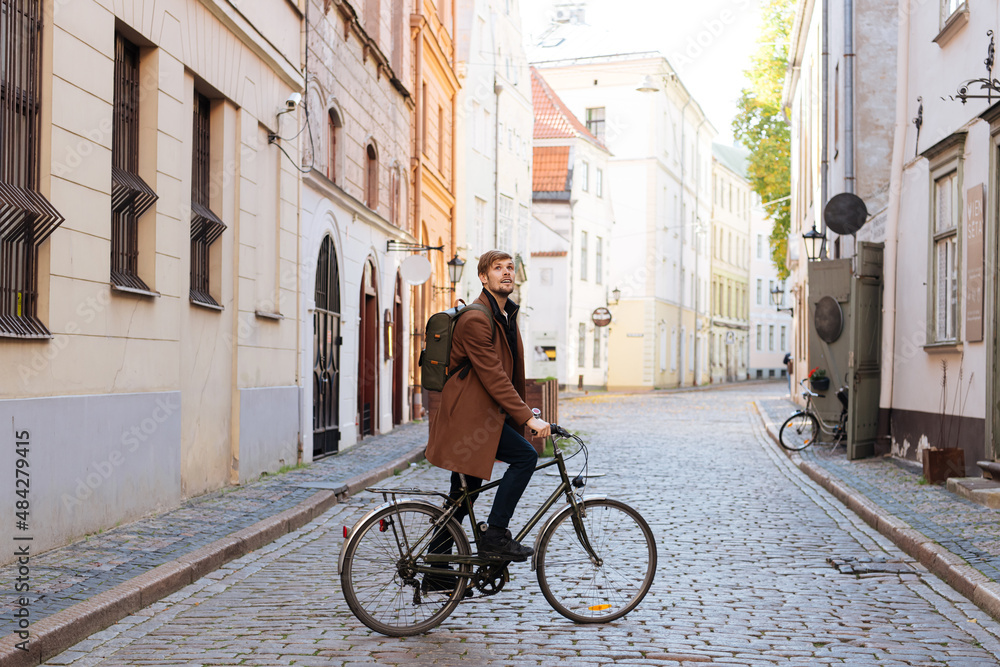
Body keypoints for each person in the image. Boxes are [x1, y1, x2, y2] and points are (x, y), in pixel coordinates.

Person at [425, 249, 551, 569]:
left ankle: (436, 571)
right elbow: (493, 375)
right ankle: (495, 535)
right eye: (498, 268)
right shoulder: (476, 318)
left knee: (461, 498)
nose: (506, 272)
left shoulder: (504, 315)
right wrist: (528, 418)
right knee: (525, 457)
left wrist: (519, 415)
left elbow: (510, 373)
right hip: (470, 419)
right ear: (483, 277)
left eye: (510, 268)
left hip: (484, 416)